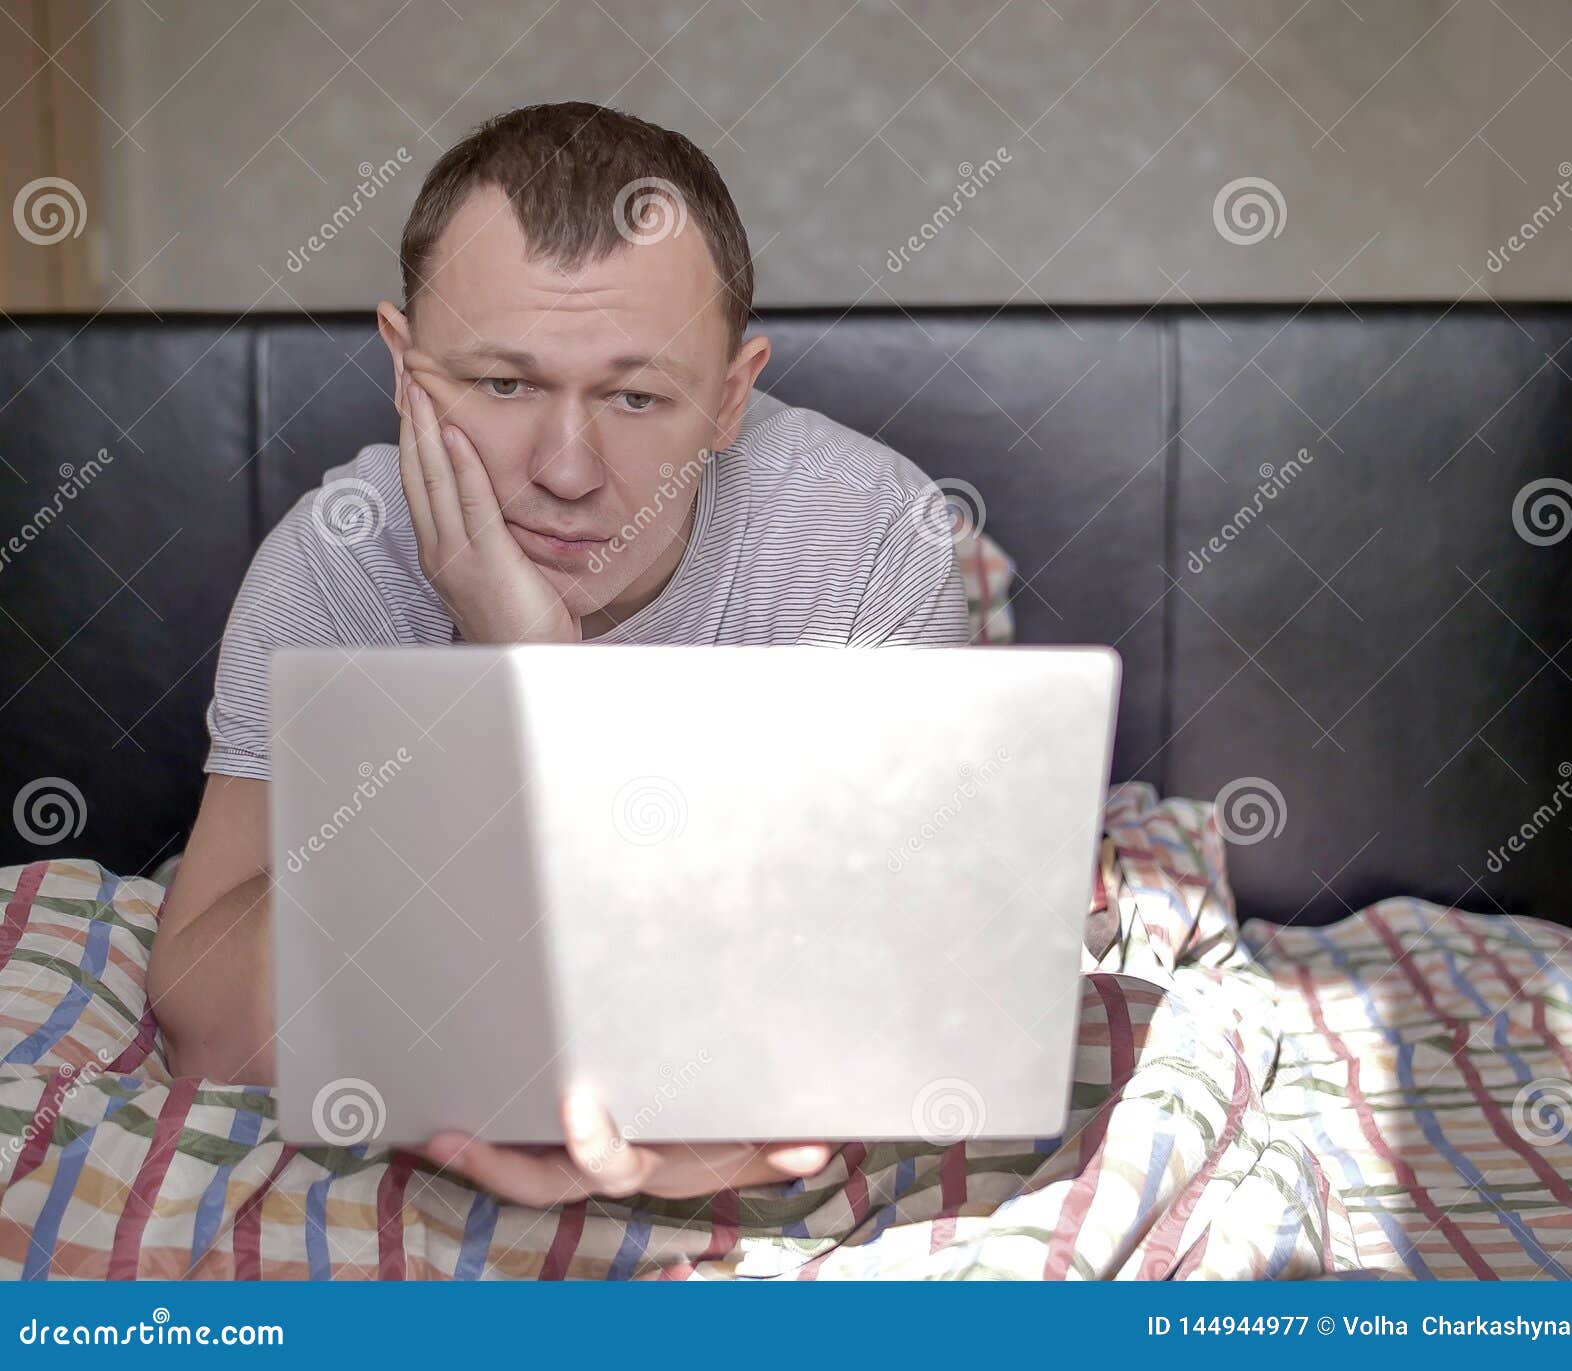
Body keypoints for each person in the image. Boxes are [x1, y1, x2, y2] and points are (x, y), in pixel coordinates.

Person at [147, 101, 967, 1209]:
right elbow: (208, 1026)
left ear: (731, 396)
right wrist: (505, 687)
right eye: (504, 385)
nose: (568, 471)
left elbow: (909, 984)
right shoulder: (340, 561)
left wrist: (721, 1115)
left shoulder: (868, 537)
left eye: (635, 396)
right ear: (404, 369)